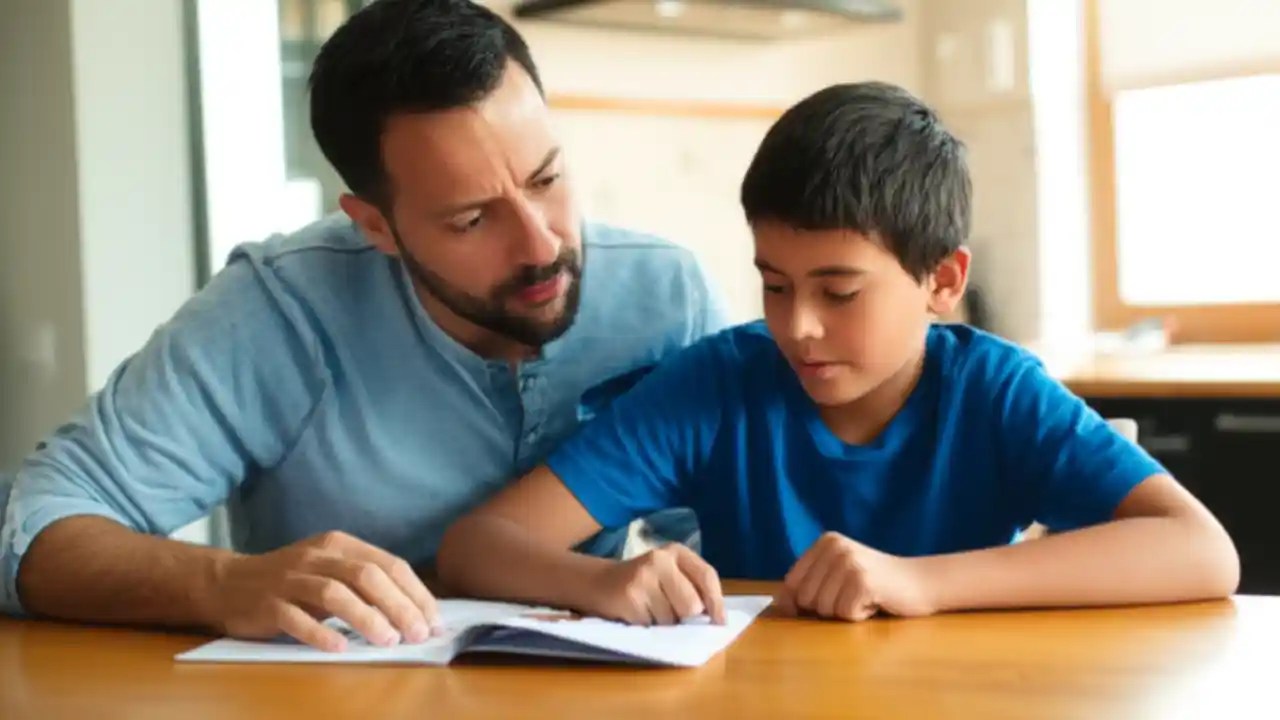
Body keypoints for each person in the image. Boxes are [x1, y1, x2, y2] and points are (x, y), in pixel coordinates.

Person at [0, 0, 727, 651]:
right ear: (376, 225)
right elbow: (32, 531)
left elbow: (735, 536)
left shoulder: (664, 295)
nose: (542, 244)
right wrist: (222, 583)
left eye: (546, 179)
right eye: (471, 219)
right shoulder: (277, 313)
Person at [436, 82, 1240, 626]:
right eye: (774, 285)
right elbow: (476, 547)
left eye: (840, 292)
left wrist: (918, 582)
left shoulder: (993, 390)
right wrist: (605, 582)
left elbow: (1202, 552)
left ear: (943, 280)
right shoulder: (719, 384)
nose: (799, 328)